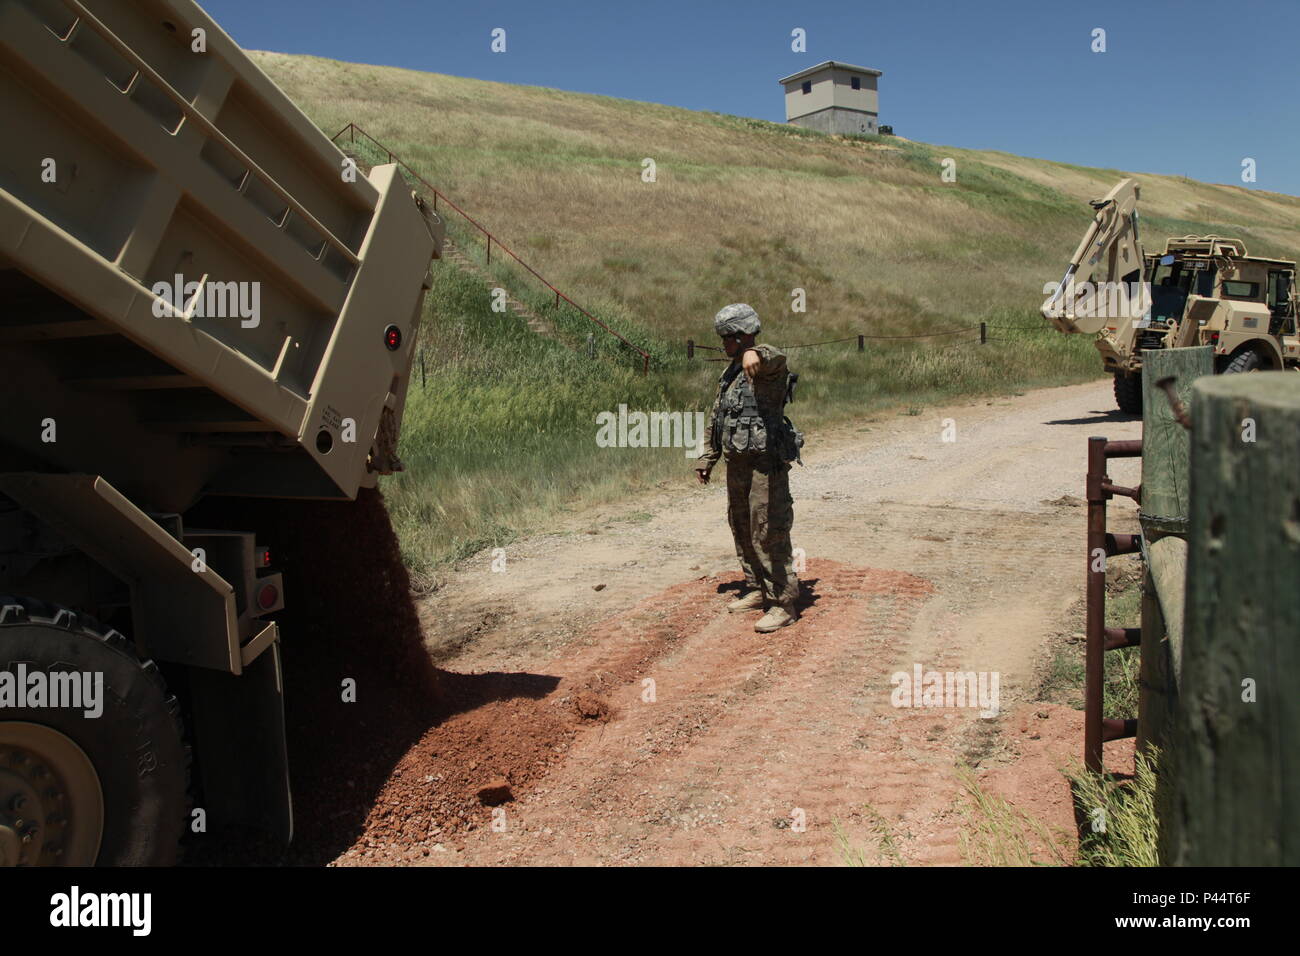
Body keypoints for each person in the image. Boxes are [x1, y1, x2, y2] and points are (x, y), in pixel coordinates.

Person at [694, 303, 801, 633]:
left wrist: (757, 352)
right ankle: (757, 588)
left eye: (727, 339)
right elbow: (718, 416)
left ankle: (783, 602)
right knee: (740, 526)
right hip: (737, 463)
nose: (723, 345)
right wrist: (707, 458)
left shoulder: (764, 367)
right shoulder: (730, 372)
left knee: (767, 531)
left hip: (764, 466)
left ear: (741, 337)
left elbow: (777, 358)